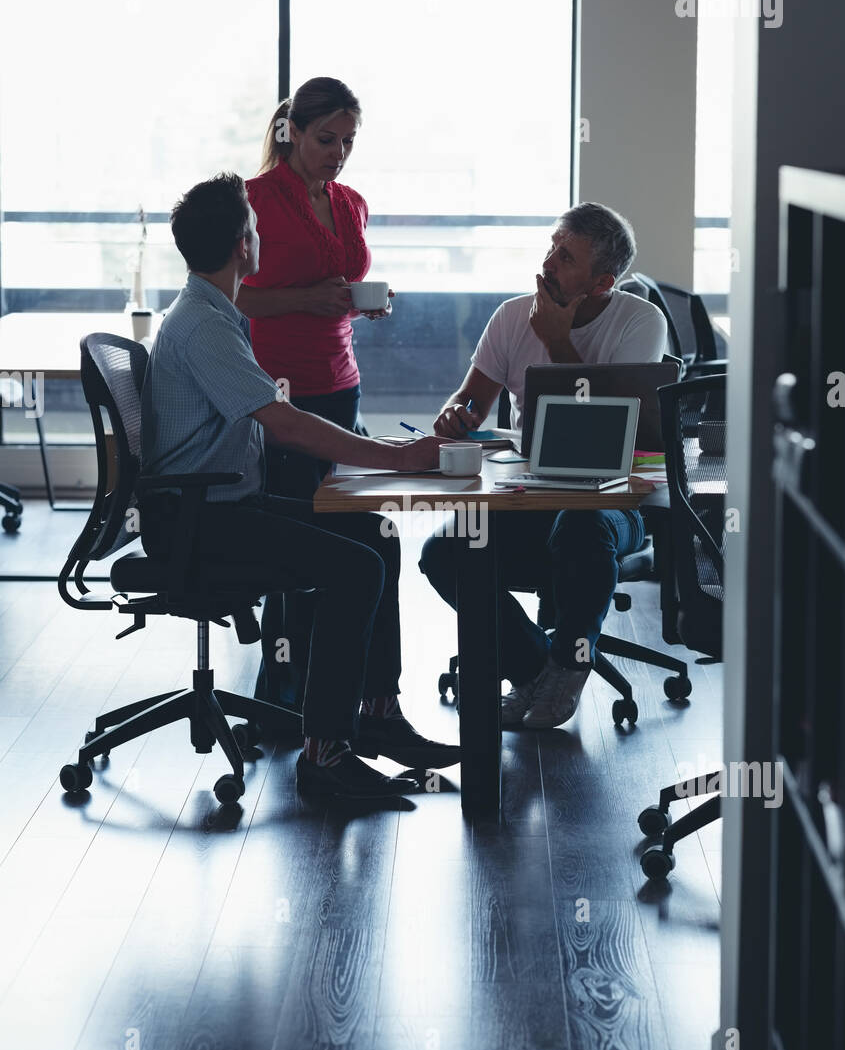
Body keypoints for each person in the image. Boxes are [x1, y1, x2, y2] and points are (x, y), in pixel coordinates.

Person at [139, 171, 460, 802]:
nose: (259, 235)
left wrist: (384, 452)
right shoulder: (204, 325)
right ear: (244, 246)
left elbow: (277, 422)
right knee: (355, 569)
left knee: (375, 534)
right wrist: (394, 462)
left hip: (221, 506)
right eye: (254, 227)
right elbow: (284, 424)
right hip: (199, 523)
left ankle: (376, 715)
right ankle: (326, 755)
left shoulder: (212, 311)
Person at [419, 202, 667, 731]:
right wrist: (454, 417)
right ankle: (537, 668)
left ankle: (569, 666)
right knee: (443, 551)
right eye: (553, 247)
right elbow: (468, 401)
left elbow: (605, 425)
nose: (549, 262)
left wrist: (557, 339)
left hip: (615, 501)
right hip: (531, 496)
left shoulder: (640, 321)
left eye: (566, 257)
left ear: (602, 282)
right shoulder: (512, 316)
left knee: (580, 526)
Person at [235, 78, 389, 708]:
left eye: (349, 141)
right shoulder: (253, 199)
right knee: (294, 539)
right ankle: (283, 691)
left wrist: (362, 304)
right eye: (326, 139)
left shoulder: (351, 202)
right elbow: (232, 296)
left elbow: (343, 286)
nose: (338, 152)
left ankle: (335, 692)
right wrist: (306, 299)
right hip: (277, 386)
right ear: (292, 131)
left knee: (341, 531)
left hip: (339, 381)